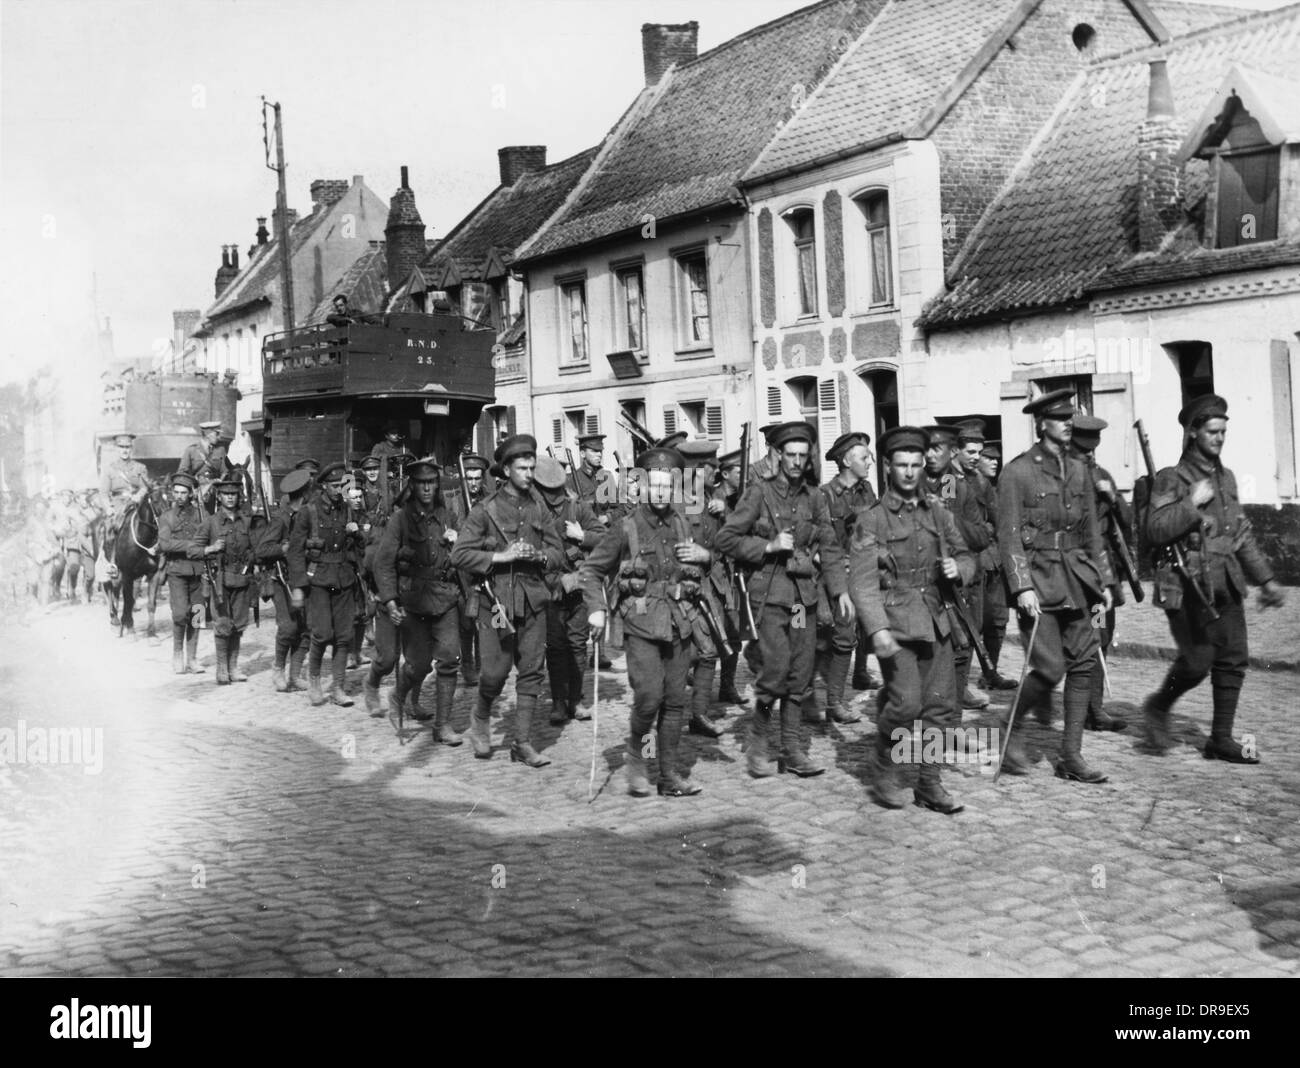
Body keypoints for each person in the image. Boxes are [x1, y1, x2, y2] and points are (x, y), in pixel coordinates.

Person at [1142, 394, 1286, 763]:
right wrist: (1191, 504)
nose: (1219, 438)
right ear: (1193, 433)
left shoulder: (1227, 477)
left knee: (1234, 657)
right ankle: (1158, 706)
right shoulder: (1172, 478)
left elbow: (1240, 534)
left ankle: (1220, 739)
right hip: (1187, 583)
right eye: (1212, 431)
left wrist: (1266, 579)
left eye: (1223, 431)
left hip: (1226, 581)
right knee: (1197, 661)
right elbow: (1154, 530)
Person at [848, 426, 975, 814]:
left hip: (936, 619)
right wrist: (878, 630)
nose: (908, 472)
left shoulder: (937, 511)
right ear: (888, 467)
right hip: (895, 623)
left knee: (938, 706)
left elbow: (968, 554)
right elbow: (862, 581)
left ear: (923, 466)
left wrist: (960, 568)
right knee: (906, 704)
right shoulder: (871, 520)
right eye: (901, 465)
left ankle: (929, 783)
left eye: (915, 465)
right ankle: (885, 760)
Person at [580, 446, 719, 796]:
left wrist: (706, 557)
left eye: (666, 486)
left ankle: (668, 774)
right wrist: (596, 608)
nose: (659, 493)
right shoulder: (625, 528)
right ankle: (639, 759)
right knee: (649, 698)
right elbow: (592, 570)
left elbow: (705, 564)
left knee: (674, 700)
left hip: (679, 622)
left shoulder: (684, 522)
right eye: (652, 486)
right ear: (641, 487)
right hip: (641, 624)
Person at [715, 421, 849, 778]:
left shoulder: (815, 497)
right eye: (790, 455)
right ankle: (758, 743)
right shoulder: (759, 493)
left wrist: (839, 591)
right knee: (775, 670)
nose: (796, 462)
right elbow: (726, 539)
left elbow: (831, 547)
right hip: (769, 599)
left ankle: (792, 750)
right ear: (778, 455)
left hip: (802, 602)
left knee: (800, 673)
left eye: (802, 456)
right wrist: (767, 546)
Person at [997, 390, 1113, 783]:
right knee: (1049, 668)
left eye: (1071, 417)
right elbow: (1009, 536)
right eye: (1060, 417)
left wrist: (1104, 580)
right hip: (1039, 582)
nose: (1068, 423)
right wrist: (1021, 586)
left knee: (1083, 663)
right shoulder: (1018, 472)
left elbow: (1093, 533)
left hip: (1077, 580)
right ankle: (1009, 732)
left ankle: (1071, 756)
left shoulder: (1080, 470)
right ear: (1040, 423)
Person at [449, 434, 566, 767]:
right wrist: (501, 556)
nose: (530, 474)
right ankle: (481, 716)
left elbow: (557, 551)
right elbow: (460, 555)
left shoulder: (538, 506)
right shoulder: (485, 510)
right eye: (523, 468)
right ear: (506, 470)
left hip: (533, 601)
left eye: (532, 467)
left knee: (531, 671)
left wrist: (542, 558)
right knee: (496, 672)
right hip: (496, 604)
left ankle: (522, 743)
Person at [373, 457, 463, 743]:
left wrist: (457, 540)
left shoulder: (446, 514)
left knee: (449, 659)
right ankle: (398, 695)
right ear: (413, 485)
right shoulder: (400, 519)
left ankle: (443, 725)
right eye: (422, 483)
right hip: (413, 600)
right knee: (419, 665)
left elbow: (469, 550)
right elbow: (382, 563)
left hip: (445, 597)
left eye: (432, 483)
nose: (427, 488)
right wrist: (389, 601)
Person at [923, 423, 992, 712]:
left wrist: (947, 514)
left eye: (935, 448)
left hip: (961, 581)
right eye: (924, 448)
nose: (928, 455)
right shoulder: (909, 483)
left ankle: (953, 712)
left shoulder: (961, 487)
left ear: (952, 452)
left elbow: (981, 536)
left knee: (963, 647)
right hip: (925, 583)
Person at [810, 431, 876, 725]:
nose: (870, 462)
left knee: (850, 637)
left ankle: (833, 698)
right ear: (847, 461)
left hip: (860, 573)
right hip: (831, 577)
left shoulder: (867, 491)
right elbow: (814, 544)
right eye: (864, 457)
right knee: (831, 638)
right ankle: (824, 699)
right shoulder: (823, 495)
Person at [288, 462, 366, 707]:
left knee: (344, 636)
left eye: (342, 485)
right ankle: (314, 682)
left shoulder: (349, 510)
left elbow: (360, 548)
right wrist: (298, 587)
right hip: (318, 580)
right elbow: (295, 552)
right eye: (334, 486)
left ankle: (339, 688)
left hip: (344, 579)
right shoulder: (308, 512)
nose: (338, 490)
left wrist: (357, 534)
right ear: (323, 486)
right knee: (321, 634)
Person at [533, 455, 604, 725]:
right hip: (548, 589)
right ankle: (559, 702)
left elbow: (605, 539)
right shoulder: (531, 510)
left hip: (577, 587)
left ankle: (576, 700)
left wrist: (582, 537)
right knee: (555, 647)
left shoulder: (577, 508)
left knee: (576, 645)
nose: (554, 497)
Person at [1070, 414, 1131, 731]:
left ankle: (1094, 709)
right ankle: (1087, 710)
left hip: (1106, 571)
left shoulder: (1102, 474)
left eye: (1092, 452)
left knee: (1102, 636)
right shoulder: (1066, 477)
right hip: (1081, 572)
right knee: (1086, 641)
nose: (1089, 457)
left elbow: (1127, 519)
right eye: (1083, 451)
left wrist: (1113, 496)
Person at [679, 439, 733, 738]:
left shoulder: (713, 500)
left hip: (712, 586)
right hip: (685, 589)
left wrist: (725, 512)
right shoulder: (676, 503)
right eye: (711, 468)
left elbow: (730, 542)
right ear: (696, 471)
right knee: (689, 654)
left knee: (710, 652)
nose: (716, 473)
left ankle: (698, 714)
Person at [192, 476, 256, 684]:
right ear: (219, 497)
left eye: (234, 494)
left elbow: (255, 547)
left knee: (238, 624)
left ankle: (233, 667)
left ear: (239, 497)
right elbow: (193, 550)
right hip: (219, 581)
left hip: (242, 579)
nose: (230, 498)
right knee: (222, 624)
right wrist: (210, 549)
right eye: (226, 494)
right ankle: (221, 668)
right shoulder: (210, 522)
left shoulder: (246, 521)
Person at [256, 468, 312, 692]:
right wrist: (284, 548)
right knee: (288, 627)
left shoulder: (309, 515)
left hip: (306, 578)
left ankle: (295, 674)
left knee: (307, 627)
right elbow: (262, 550)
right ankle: (278, 668)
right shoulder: (280, 519)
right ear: (304, 492)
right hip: (281, 579)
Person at [445, 454, 489, 686]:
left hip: (485, 566)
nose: (473, 483)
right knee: (466, 621)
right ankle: (468, 665)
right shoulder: (454, 503)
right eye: (469, 478)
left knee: (486, 618)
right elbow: (448, 532)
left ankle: (485, 663)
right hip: (462, 572)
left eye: (477, 478)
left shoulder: (490, 502)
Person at [157, 473, 208, 673]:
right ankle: (177, 655)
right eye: (176, 492)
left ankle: (192, 659)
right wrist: (192, 545)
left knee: (198, 615)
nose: (179, 496)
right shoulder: (166, 517)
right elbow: (164, 544)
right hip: (177, 571)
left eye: (183, 492)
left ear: (190, 494)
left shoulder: (201, 514)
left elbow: (208, 538)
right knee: (179, 614)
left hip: (199, 571)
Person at [712, 449, 750, 709]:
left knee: (734, 632)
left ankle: (727, 686)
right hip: (716, 574)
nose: (742, 476)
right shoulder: (713, 500)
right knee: (712, 631)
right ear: (725, 474)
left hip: (736, 573)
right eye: (738, 471)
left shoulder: (741, 498)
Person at [99, 433, 154, 569]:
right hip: (118, 504)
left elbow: (145, 487)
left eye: (127, 447)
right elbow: (104, 493)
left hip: (137, 503)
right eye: (121, 447)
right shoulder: (109, 469)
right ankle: (112, 561)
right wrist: (108, 508)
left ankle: (152, 557)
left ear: (131, 449)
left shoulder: (140, 468)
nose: (125, 450)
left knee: (152, 524)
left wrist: (139, 496)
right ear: (117, 449)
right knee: (111, 528)